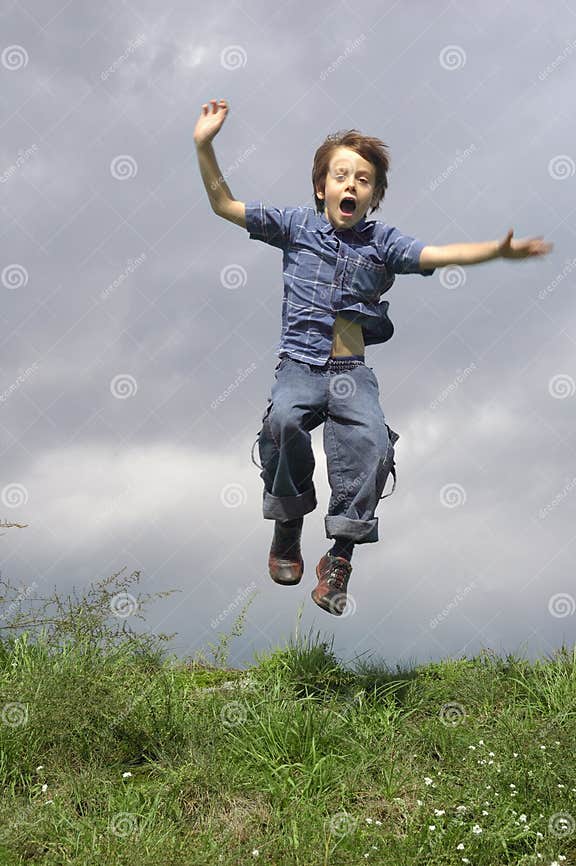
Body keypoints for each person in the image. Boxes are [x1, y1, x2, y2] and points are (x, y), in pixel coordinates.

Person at [194, 97, 554, 617]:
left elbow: (436, 254)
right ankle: (289, 523)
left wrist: (494, 252)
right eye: (341, 175)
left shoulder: (382, 243)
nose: (351, 185)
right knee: (283, 423)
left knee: (373, 446)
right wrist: (204, 145)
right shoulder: (294, 226)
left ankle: (338, 557)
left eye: (363, 180)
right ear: (322, 187)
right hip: (298, 365)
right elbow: (224, 204)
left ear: (374, 196)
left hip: (350, 373)